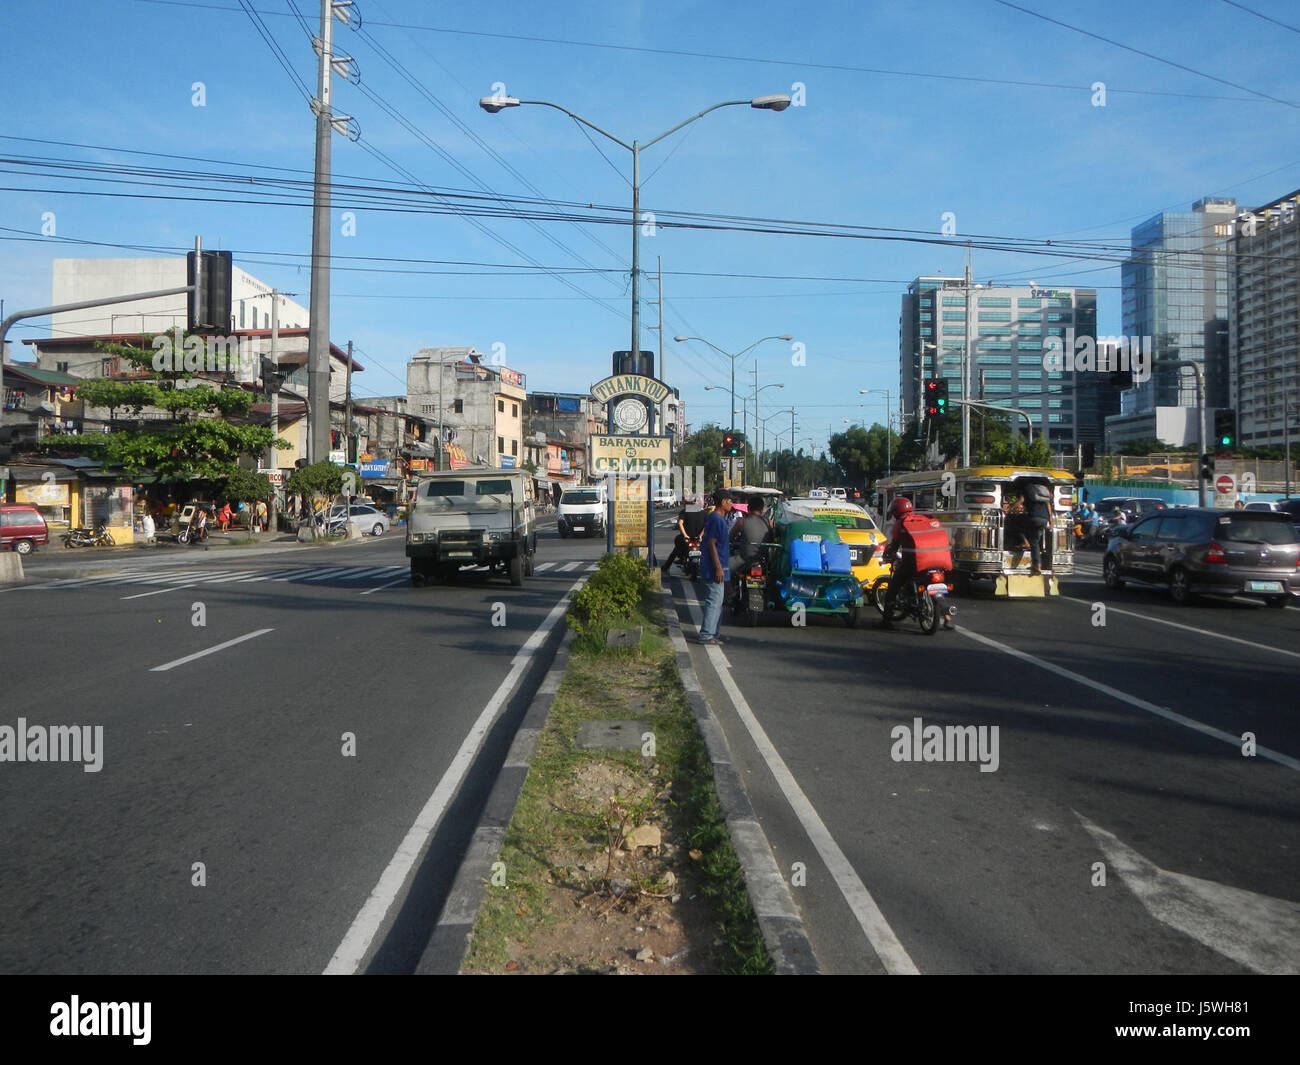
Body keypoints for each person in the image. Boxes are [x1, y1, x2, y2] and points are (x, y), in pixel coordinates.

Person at [880, 497, 955, 630]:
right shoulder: (924, 519)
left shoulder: (900, 523)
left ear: (896, 511)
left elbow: (895, 544)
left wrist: (888, 556)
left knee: (893, 587)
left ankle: (887, 620)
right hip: (938, 562)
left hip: (914, 564)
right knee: (938, 591)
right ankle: (948, 619)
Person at [697, 489, 734, 645]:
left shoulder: (721, 519)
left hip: (720, 568)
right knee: (714, 602)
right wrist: (718, 567)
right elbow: (711, 544)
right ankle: (706, 634)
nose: (731, 504)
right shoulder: (716, 520)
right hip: (713, 569)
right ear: (723, 502)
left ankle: (713, 633)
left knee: (718, 603)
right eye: (730, 501)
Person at [661, 494, 708, 575]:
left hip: (687, 539)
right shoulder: (704, 513)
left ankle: (666, 567)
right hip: (699, 540)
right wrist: (701, 535)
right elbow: (706, 526)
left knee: (675, 550)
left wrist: (685, 535)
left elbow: (680, 523)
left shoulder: (685, 511)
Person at [1023, 481, 1052, 575]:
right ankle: (1037, 564)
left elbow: (1020, 501)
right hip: (1044, 520)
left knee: (1018, 527)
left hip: (1034, 518)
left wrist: (1010, 508)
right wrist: (1050, 518)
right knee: (1036, 541)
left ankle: (1024, 542)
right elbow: (1048, 505)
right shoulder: (1043, 497)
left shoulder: (1028, 494)